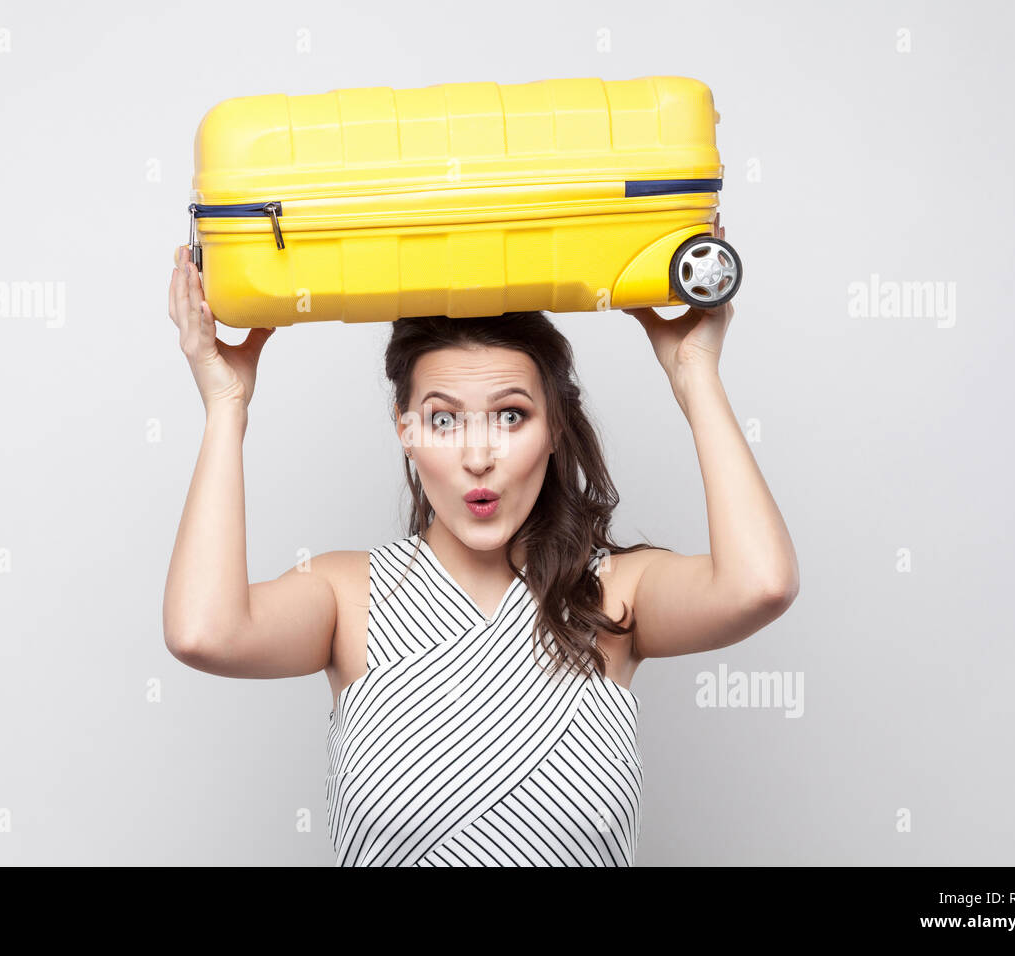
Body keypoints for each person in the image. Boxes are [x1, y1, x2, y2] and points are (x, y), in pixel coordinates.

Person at [162, 216, 799, 866]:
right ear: (405, 430)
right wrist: (227, 403)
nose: (478, 455)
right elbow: (203, 632)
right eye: (443, 419)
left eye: (511, 415)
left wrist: (694, 373)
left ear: (554, 429)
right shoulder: (345, 594)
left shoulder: (612, 592)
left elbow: (762, 583)